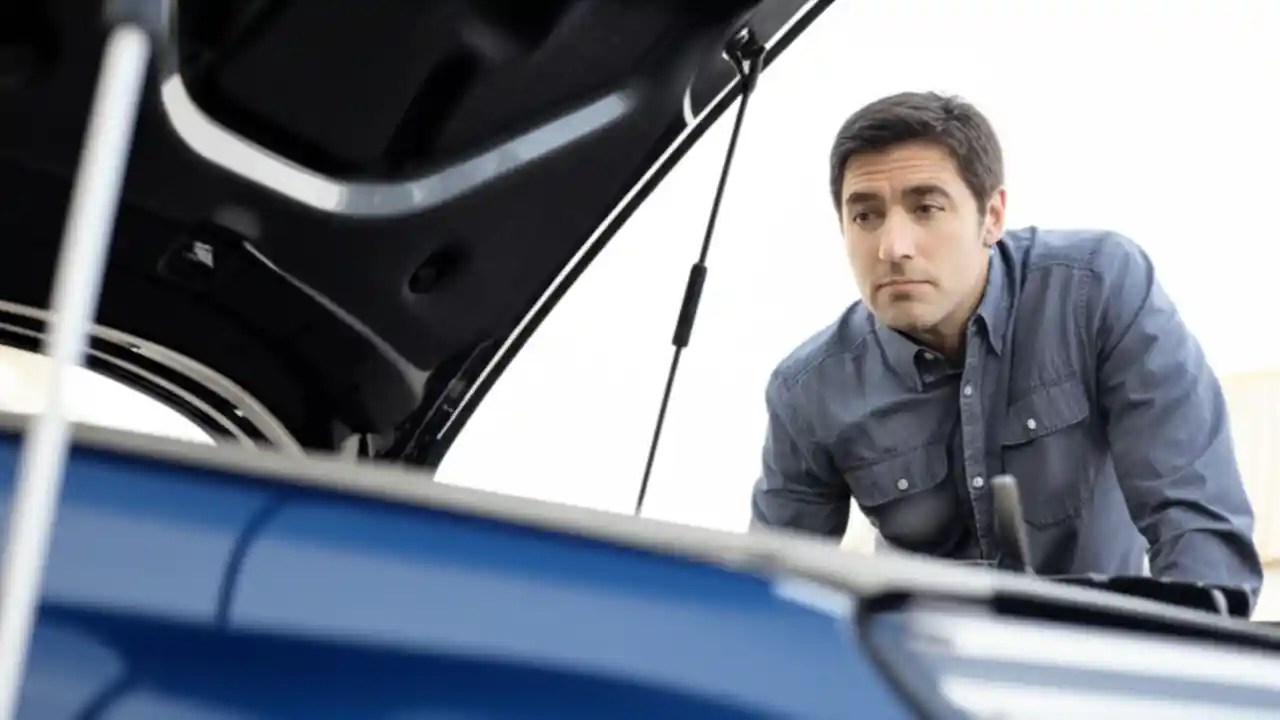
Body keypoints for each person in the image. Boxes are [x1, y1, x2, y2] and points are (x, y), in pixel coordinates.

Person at [750, 90, 1263, 606]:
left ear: (992, 215)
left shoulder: (1098, 290)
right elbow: (770, 593)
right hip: (922, 668)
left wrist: (1188, 661)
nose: (893, 247)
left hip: (1101, 652)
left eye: (926, 208)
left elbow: (1196, 527)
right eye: (866, 216)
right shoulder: (809, 391)